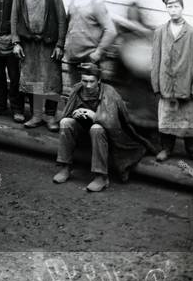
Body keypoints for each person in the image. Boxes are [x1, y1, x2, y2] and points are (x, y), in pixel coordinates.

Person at [54, 63, 154, 192]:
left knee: (96, 128)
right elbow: (66, 113)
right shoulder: (77, 89)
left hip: (106, 135)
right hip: (84, 133)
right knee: (65, 122)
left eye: (92, 81)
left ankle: (101, 176)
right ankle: (65, 168)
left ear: (99, 81)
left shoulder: (109, 92)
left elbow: (112, 123)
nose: (88, 85)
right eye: (85, 81)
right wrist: (76, 114)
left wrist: (94, 115)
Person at [11, 0, 67, 132]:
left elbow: (61, 20)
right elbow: (14, 18)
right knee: (33, 80)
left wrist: (59, 44)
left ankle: (50, 117)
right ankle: (36, 115)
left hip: (48, 45)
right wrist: (16, 42)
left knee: (51, 81)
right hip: (29, 44)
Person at [150, 0, 193, 165]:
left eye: (176, 6)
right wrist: (157, 85)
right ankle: (167, 148)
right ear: (166, 9)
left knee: (190, 120)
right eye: (170, 7)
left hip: (185, 87)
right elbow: (155, 60)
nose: (173, 10)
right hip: (167, 84)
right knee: (167, 118)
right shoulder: (160, 32)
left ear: (182, 8)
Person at [63, 0, 116, 87]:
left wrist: (98, 52)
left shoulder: (96, 4)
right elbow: (68, 24)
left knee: (90, 93)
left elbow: (111, 31)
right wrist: (66, 45)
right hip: (73, 57)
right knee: (75, 91)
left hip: (89, 58)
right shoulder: (73, 0)